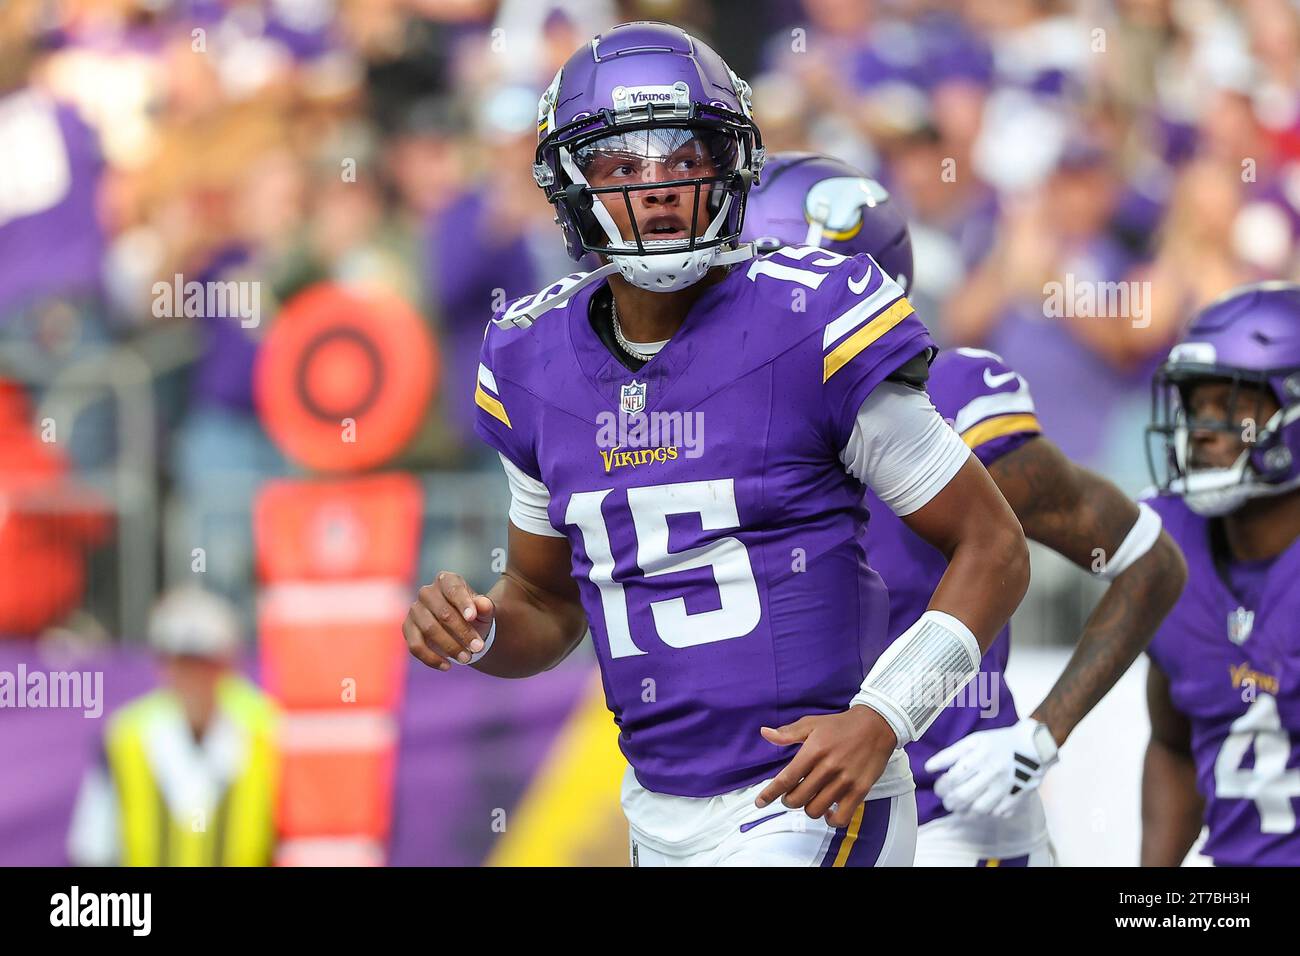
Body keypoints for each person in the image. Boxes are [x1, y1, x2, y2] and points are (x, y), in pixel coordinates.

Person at [404, 22, 1030, 867]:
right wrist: (479, 631)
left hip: (807, 795)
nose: (657, 188)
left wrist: (885, 716)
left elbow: (992, 544)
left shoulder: (808, 319)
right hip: (656, 807)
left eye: (683, 160)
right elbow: (547, 606)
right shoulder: (530, 358)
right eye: (623, 165)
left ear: (729, 166)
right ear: (568, 182)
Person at [743, 151, 1187, 866]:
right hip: (778, 821)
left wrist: (1040, 734)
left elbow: (1149, 564)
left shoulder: (953, 404)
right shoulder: (705, 422)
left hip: (941, 823)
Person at [1141, 282, 1300, 867]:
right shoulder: (1171, 550)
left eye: (1229, 406)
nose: (1202, 430)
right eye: (1194, 407)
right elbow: (1174, 744)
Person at [67, 586, 279, 866]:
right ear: (163, 666)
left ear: (230, 663)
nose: (194, 677)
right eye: (183, 663)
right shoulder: (125, 737)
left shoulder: (268, 731)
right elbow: (93, 850)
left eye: (205, 663)